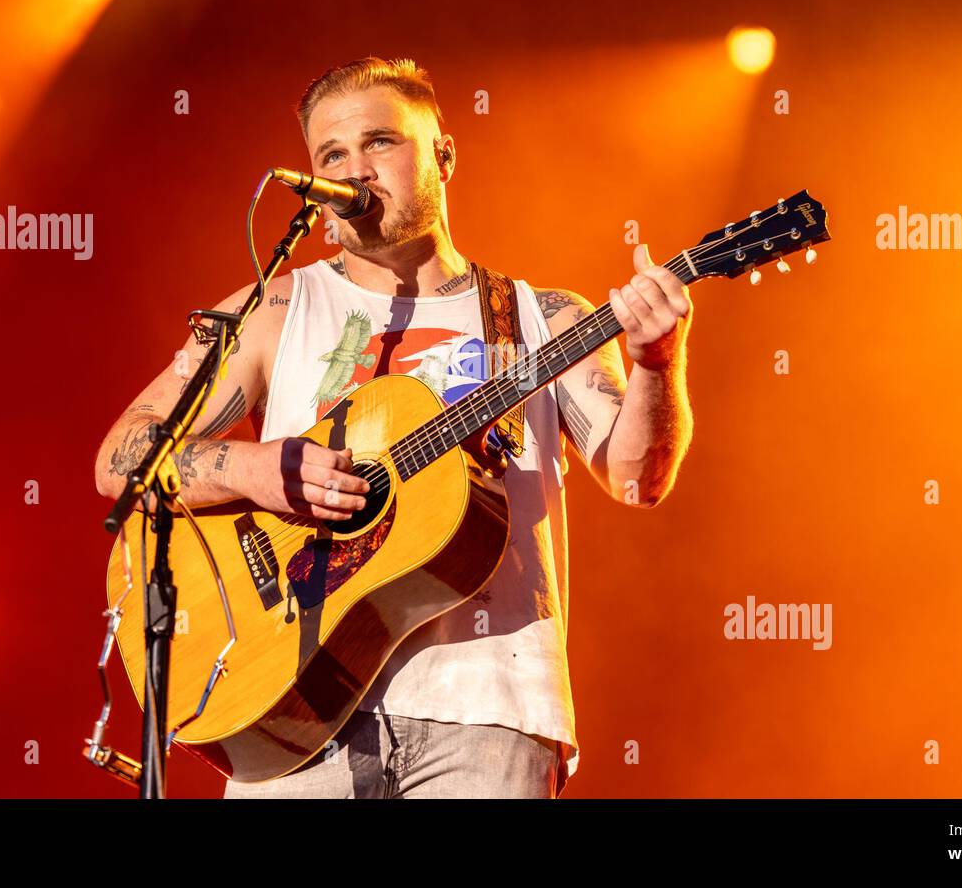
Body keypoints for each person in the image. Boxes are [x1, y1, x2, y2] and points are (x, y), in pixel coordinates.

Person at [93, 56, 694, 798]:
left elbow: (640, 479)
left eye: (380, 142)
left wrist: (658, 364)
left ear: (443, 154)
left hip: (486, 713)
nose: (356, 169)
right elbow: (121, 458)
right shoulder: (274, 309)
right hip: (288, 699)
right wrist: (255, 470)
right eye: (331, 156)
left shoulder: (543, 318)